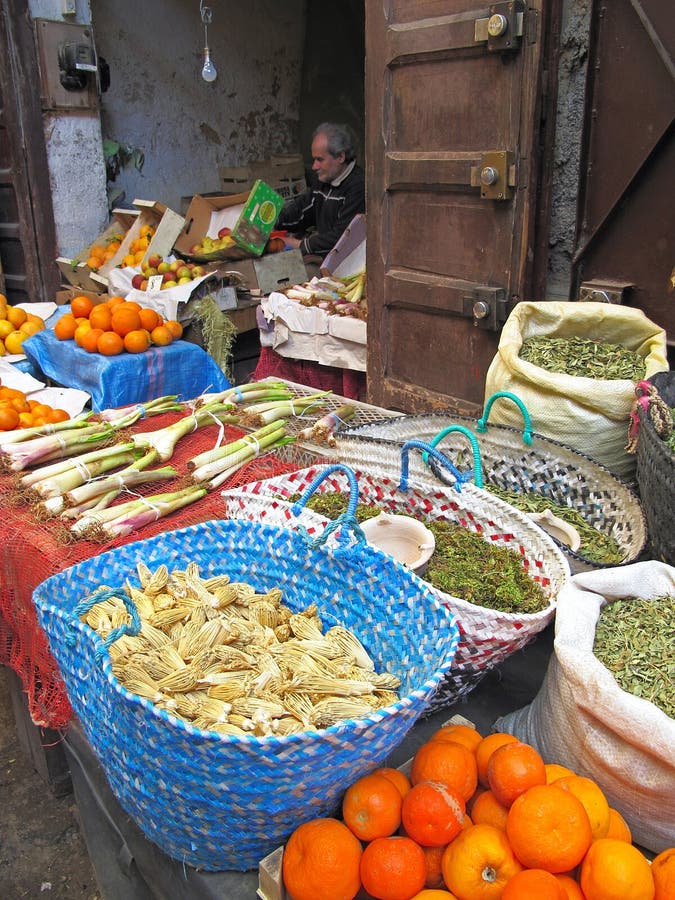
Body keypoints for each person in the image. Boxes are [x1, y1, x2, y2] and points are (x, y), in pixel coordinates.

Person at [276, 122, 365, 258]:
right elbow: (303, 209)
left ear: (340, 157)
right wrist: (274, 221)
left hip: (345, 263)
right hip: (324, 256)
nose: (314, 166)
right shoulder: (324, 179)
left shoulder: (358, 186)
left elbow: (342, 238)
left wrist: (298, 244)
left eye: (320, 159)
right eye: (314, 159)